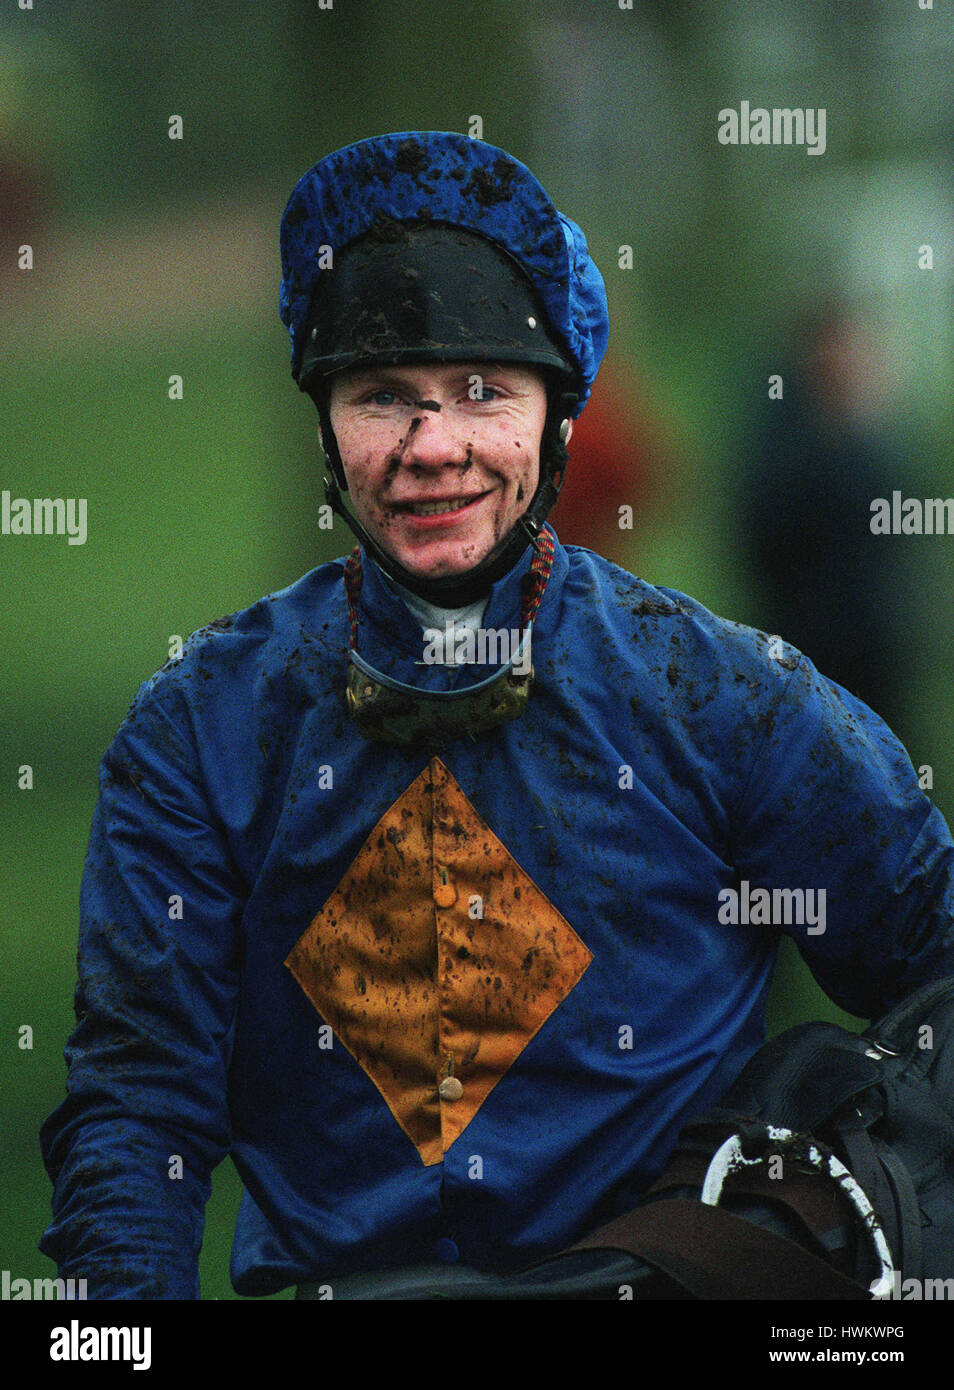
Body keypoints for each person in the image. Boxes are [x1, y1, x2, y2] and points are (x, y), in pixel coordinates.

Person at [39, 131, 954, 1301]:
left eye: (482, 390)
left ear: (557, 414)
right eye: (384, 397)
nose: (435, 449)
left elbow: (934, 957)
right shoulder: (197, 728)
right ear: (325, 424)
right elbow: (136, 1101)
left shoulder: (727, 695)